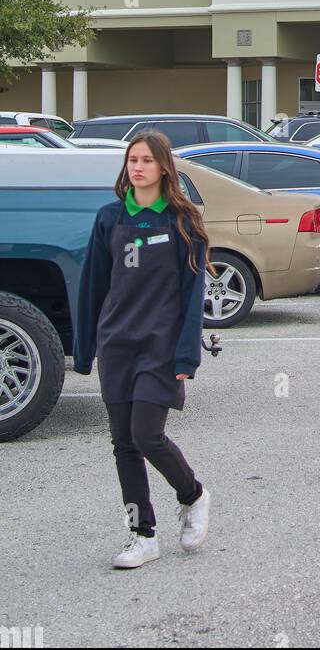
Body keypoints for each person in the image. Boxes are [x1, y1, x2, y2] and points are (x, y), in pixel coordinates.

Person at [73, 130, 211, 569]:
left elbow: (192, 296)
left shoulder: (182, 221)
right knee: (123, 444)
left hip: (160, 347)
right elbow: (93, 284)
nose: (138, 167)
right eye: (133, 160)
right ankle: (143, 534)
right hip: (117, 345)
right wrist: (84, 347)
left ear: (164, 168)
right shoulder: (109, 217)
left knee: (146, 435)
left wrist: (187, 355)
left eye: (147, 160)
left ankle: (193, 495)